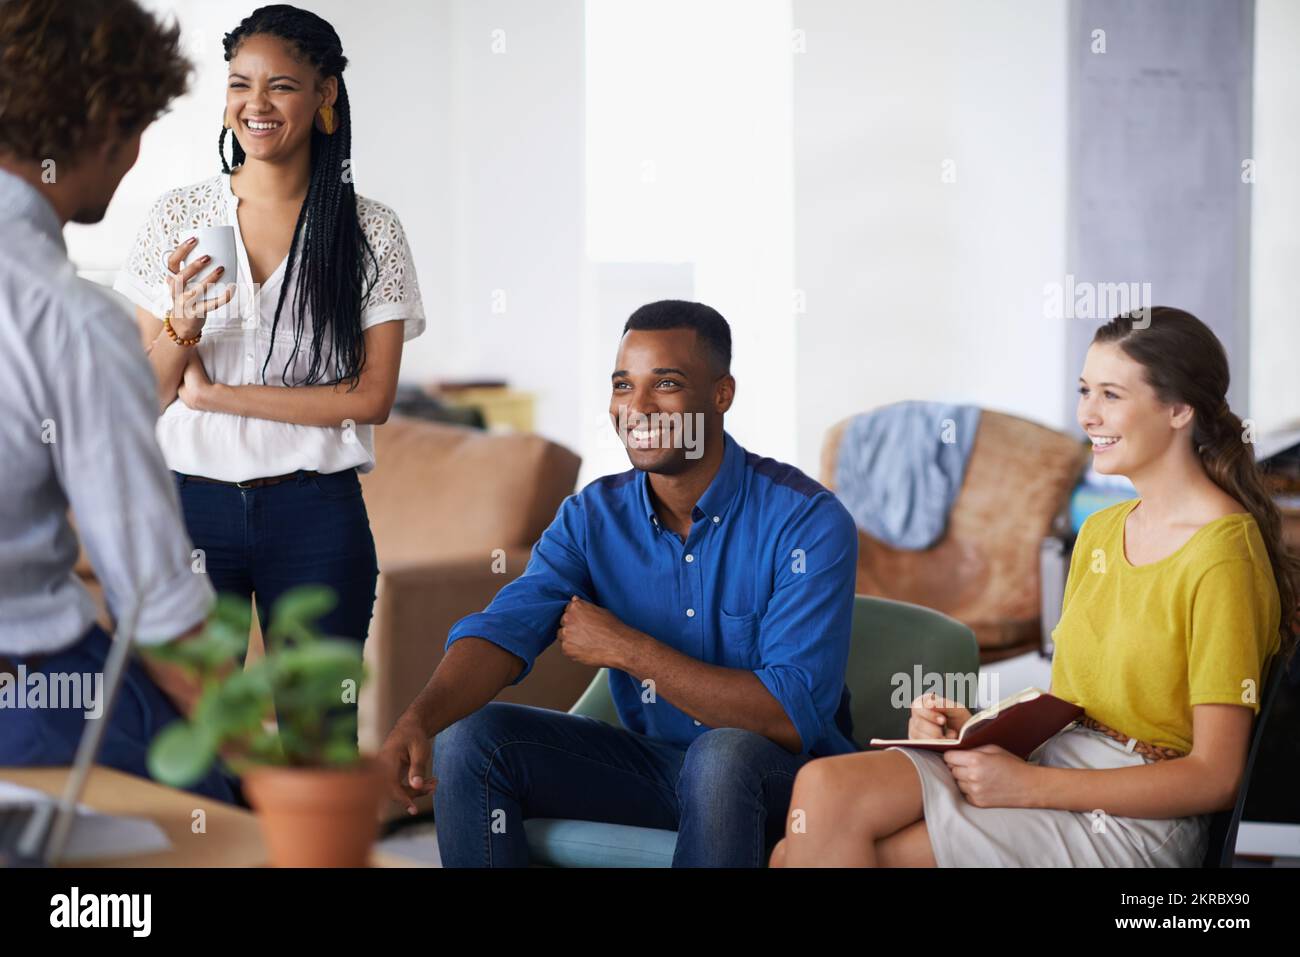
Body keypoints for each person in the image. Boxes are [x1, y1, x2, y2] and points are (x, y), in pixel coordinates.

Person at [771, 307, 1296, 867]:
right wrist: (974, 729)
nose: (1088, 415)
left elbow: (1214, 778)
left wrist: (1027, 786)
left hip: (1138, 816)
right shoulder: (1099, 532)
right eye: (1084, 390)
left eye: (1111, 395)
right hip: (1057, 758)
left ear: (1179, 410)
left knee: (826, 853)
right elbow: (1077, 702)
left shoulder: (1222, 557)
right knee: (823, 791)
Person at [379, 300, 859, 866]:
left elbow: (787, 715)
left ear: (722, 395)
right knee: (474, 741)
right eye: (623, 385)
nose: (639, 408)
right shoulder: (590, 518)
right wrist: (419, 719)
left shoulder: (806, 520)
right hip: (654, 769)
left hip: (782, 782)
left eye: (668, 384)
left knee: (723, 755)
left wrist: (631, 651)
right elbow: (506, 629)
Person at [111, 5, 424, 668]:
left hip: (316, 514)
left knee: (319, 740)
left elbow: (370, 398)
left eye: (280, 85)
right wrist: (182, 325)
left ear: (325, 93)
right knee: (195, 733)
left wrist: (216, 395)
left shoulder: (371, 231)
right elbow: (149, 393)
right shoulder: (181, 217)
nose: (256, 104)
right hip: (187, 505)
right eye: (239, 83)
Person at [0, 0, 235, 802]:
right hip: (29, 692)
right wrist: (281, 776)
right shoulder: (68, 320)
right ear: (103, 126)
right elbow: (161, 611)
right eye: (137, 129)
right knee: (221, 796)